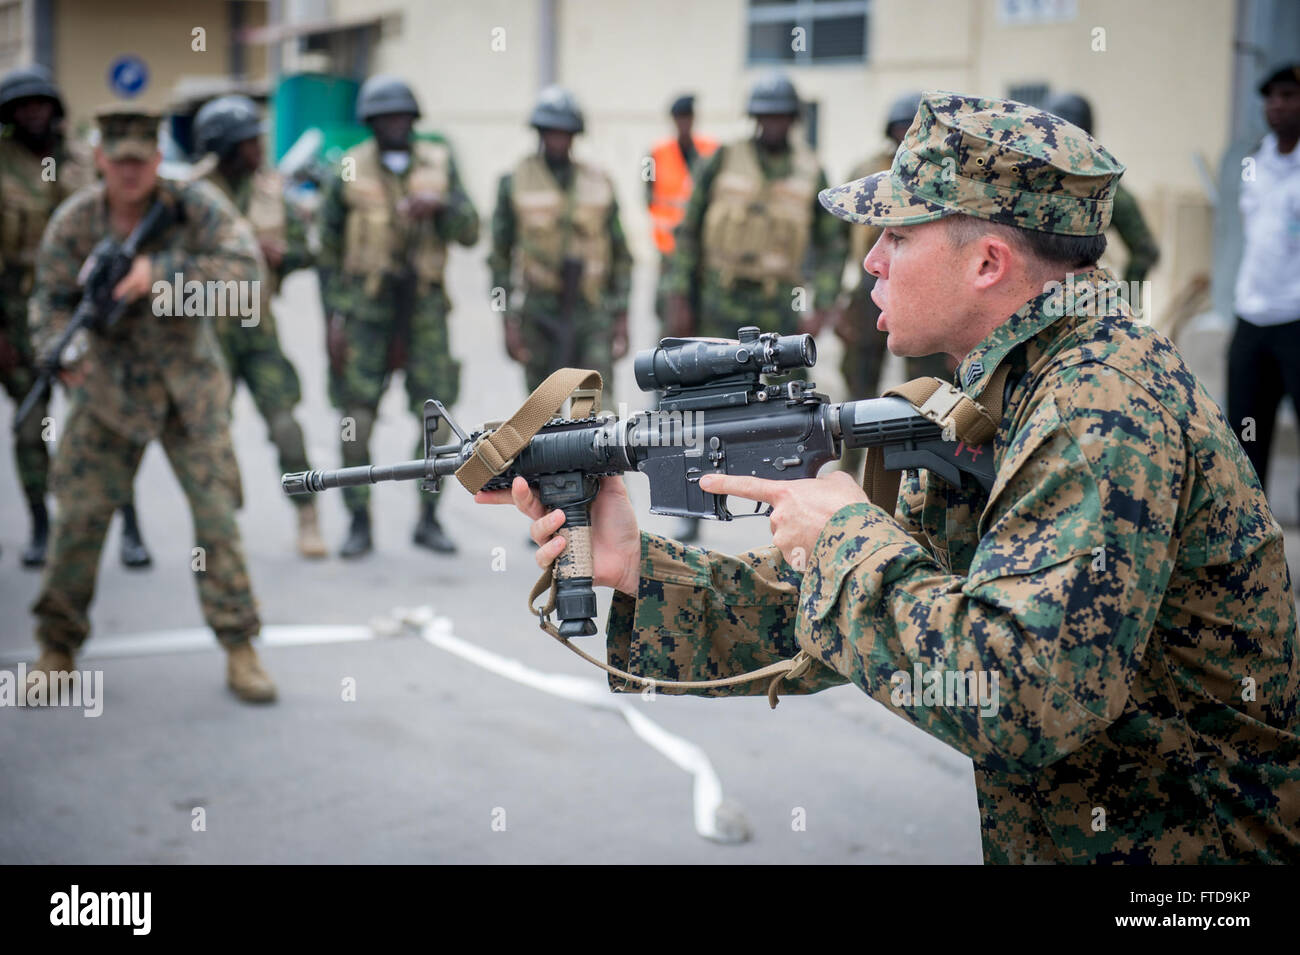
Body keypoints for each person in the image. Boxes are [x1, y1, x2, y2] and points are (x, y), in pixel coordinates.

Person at [480, 92, 1300, 863]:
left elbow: (1016, 696)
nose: (870, 260)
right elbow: (882, 616)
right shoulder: (1008, 384)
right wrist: (640, 571)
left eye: (897, 236)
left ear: (986, 262)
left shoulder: (1098, 409)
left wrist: (844, 534)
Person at [27, 107, 276, 703]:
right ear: (101, 162)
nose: (131, 173)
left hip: (188, 389)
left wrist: (159, 276)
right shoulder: (76, 222)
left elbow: (249, 279)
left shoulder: (192, 207)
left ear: (158, 162)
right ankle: (56, 648)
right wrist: (61, 352)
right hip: (108, 392)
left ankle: (240, 647)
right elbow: (48, 300)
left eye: (142, 161)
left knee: (217, 521)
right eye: (120, 162)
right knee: (80, 519)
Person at [661, 72, 844, 541]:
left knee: (792, 408)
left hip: (777, 305)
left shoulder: (810, 169)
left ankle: (795, 503)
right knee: (698, 406)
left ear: (793, 119)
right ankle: (692, 500)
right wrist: (679, 295)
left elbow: (831, 242)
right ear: (755, 118)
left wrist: (821, 301)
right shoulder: (723, 159)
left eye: (780, 116)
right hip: (719, 299)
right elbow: (689, 229)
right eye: (765, 117)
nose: (772, 125)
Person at [319, 75, 479, 557]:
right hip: (365, 313)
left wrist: (443, 204)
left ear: (413, 120)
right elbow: (327, 252)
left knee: (434, 420)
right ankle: (358, 521)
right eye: (385, 117)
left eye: (402, 117)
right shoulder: (348, 169)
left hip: (426, 309)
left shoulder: (440, 165)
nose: (395, 124)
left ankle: (428, 518)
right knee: (356, 420)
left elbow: (471, 230)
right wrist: (332, 319)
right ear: (371, 122)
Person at [0, 65, 151, 569]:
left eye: (41, 104)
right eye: (23, 107)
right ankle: (43, 525)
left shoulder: (89, 161)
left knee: (110, 421)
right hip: (21, 316)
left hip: (94, 313)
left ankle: (128, 525)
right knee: (29, 430)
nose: (34, 114)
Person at [190, 94, 326, 558]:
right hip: (208, 333)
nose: (260, 147)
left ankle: (308, 517)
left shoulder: (272, 191)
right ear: (226, 146)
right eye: (251, 141)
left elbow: (309, 249)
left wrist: (283, 256)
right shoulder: (189, 195)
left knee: (286, 425)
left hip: (259, 330)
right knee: (211, 431)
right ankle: (220, 525)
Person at [833, 91, 950, 479]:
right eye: (900, 129)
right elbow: (835, 239)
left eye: (912, 129)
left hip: (921, 286)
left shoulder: (939, 176)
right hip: (869, 286)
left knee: (926, 387)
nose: (905, 136)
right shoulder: (868, 169)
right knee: (859, 382)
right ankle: (849, 468)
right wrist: (833, 301)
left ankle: (926, 471)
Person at [490, 85, 632, 396]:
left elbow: (621, 254)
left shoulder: (598, 181)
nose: (557, 139)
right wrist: (506, 322)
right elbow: (499, 257)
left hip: (591, 309)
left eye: (564, 132)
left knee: (597, 408)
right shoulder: (514, 182)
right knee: (540, 414)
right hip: (539, 312)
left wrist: (622, 317)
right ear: (540, 133)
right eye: (551, 132)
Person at [1226, 63, 1300, 505]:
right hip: (1252, 316)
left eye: (1289, 95)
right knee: (1245, 434)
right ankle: (1252, 538)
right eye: (1271, 97)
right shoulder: (1255, 160)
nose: (1277, 105)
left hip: (1297, 317)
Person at [1042, 92, 1160, 287]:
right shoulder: (1039, 173)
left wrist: (1126, 302)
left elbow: (1145, 250)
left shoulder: (1103, 185)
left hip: (1076, 300)